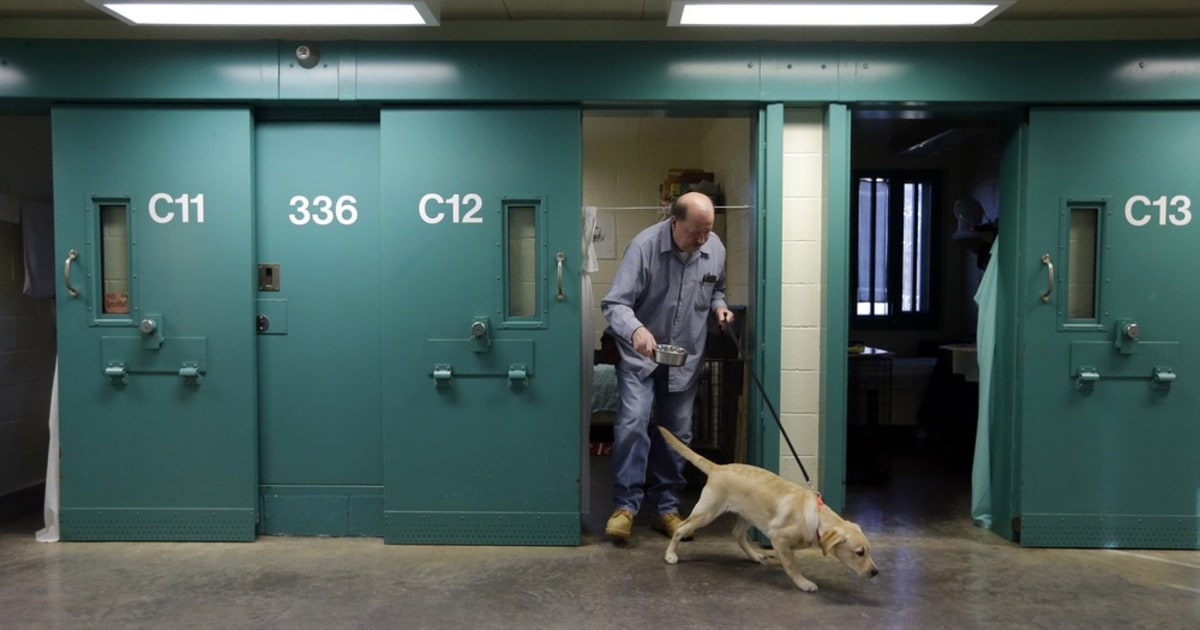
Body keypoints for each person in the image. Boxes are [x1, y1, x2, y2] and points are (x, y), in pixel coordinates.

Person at [600, 191, 734, 542]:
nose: (703, 240)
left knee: (679, 433)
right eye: (696, 233)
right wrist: (637, 329)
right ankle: (625, 507)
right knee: (633, 424)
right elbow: (614, 304)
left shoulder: (715, 248)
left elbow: (717, 288)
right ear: (674, 222)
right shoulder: (643, 247)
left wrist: (720, 307)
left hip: (684, 358)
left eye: (708, 231)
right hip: (639, 357)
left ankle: (666, 509)